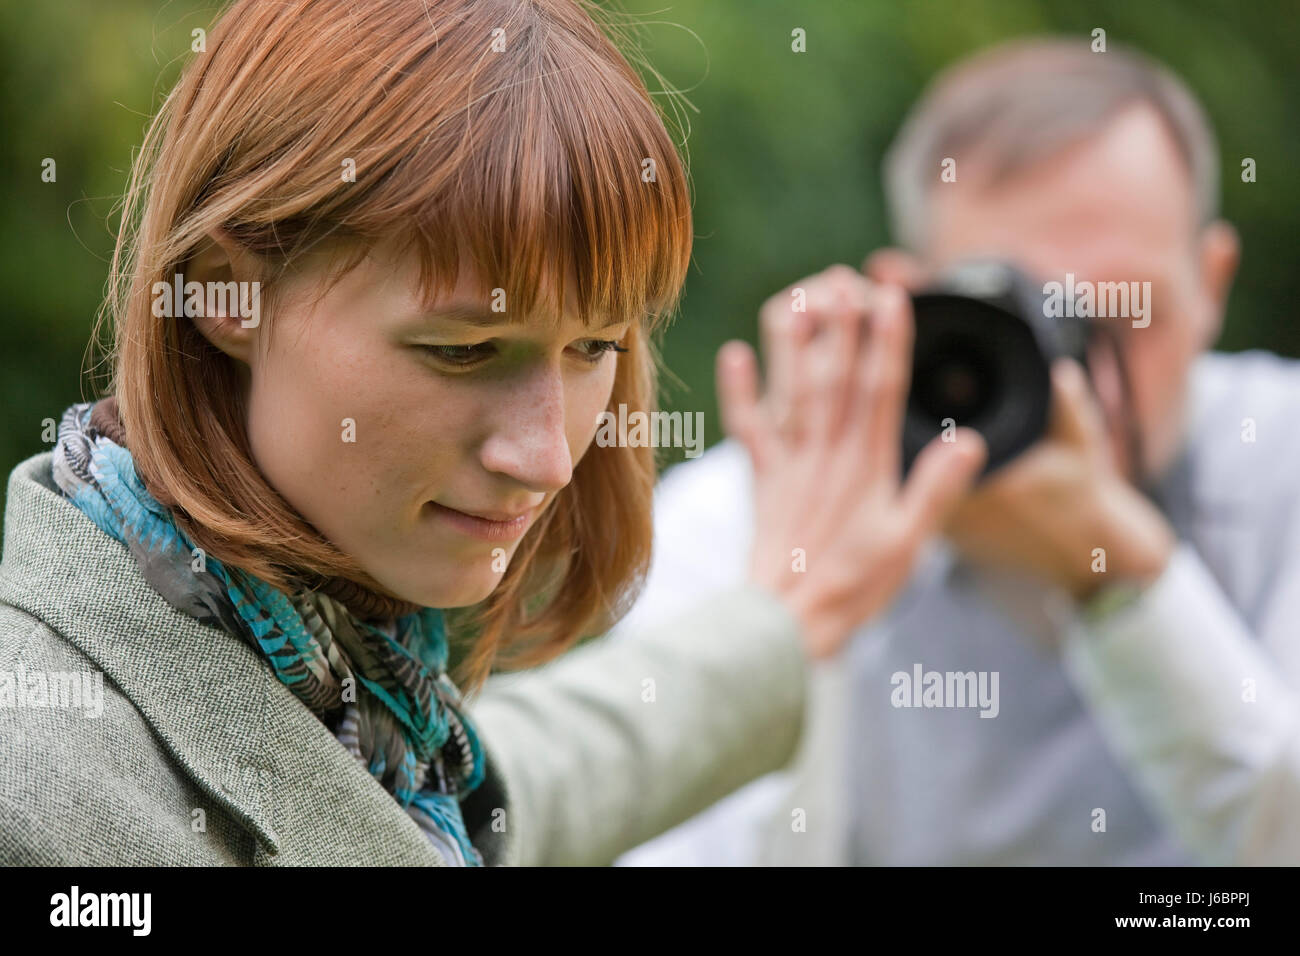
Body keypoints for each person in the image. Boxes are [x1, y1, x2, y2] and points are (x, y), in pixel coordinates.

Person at [0, 0, 986, 866]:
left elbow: (533, 780)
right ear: (233, 292)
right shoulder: (38, 779)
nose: (548, 456)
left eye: (594, 344)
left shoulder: (365, 707)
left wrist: (792, 611)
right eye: (463, 350)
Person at [615, 37, 1300, 866]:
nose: (1080, 393)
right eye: (1025, 330)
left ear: (1213, 282)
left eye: (1123, 320)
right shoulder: (751, 510)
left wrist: (1124, 578)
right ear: (912, 303)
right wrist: (806, 608)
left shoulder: (1278, 462)